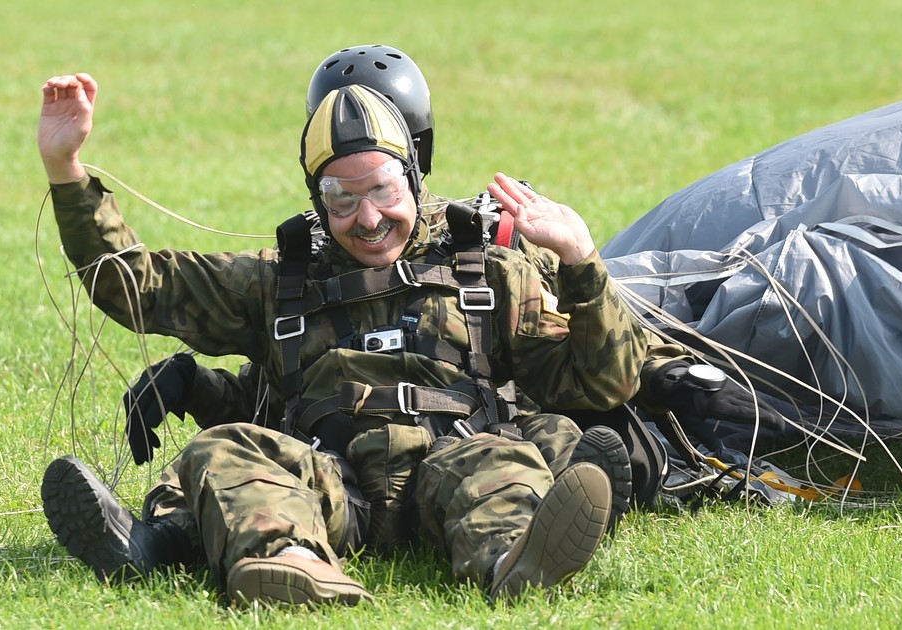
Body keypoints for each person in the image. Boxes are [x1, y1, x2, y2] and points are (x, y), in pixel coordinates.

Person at [38, 72, 650, 605]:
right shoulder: (277, 283)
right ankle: (290, 562)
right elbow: (138, 285)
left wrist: (580, 260)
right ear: (316, 201)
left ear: (413, 179)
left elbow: (606, 381)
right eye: (341, 198)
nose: (368, 217)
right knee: (223, 449)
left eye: (383, 188)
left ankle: (516, 558)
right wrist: (66, 171)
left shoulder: (489, 273)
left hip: (458, 462)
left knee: (503, 460)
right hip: (331, 482)